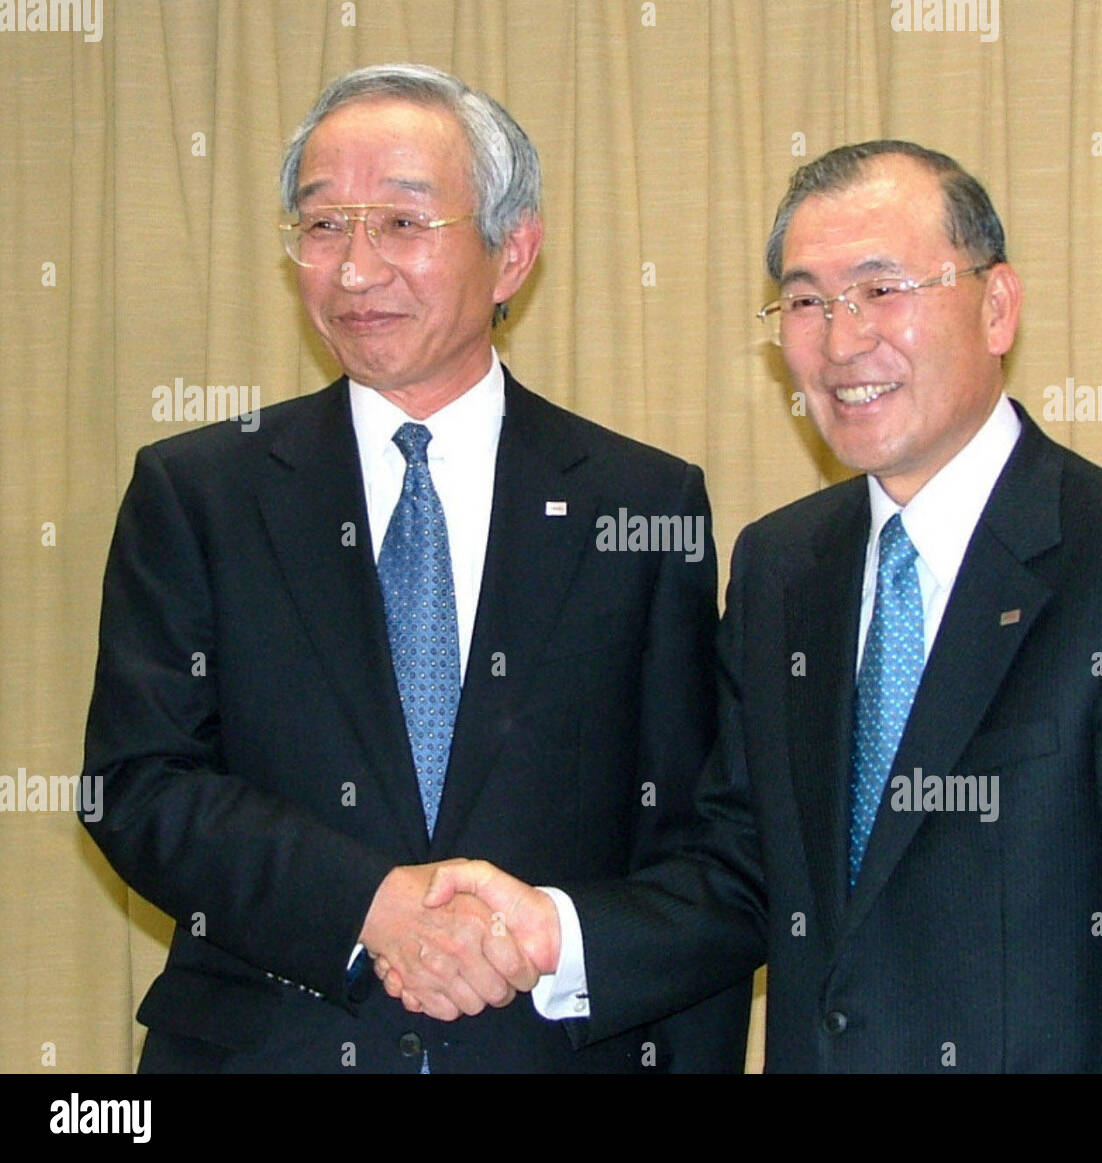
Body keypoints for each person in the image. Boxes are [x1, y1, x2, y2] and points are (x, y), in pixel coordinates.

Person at [409, 140, 1102, 1072]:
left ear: (997, 307)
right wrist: (558, 932)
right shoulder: (784, 568)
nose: (842, 340)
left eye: (884, 289)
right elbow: (745, 869)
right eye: (805, 302)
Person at [79, 62, 751, 1073]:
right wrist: (367, 905)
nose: (353, 269)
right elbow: (135, 784)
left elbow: (699, 848)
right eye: (320, 225)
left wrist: (551, 936)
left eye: (400, 223)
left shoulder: (643, 504)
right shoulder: (200, 490)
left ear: (512, 252)